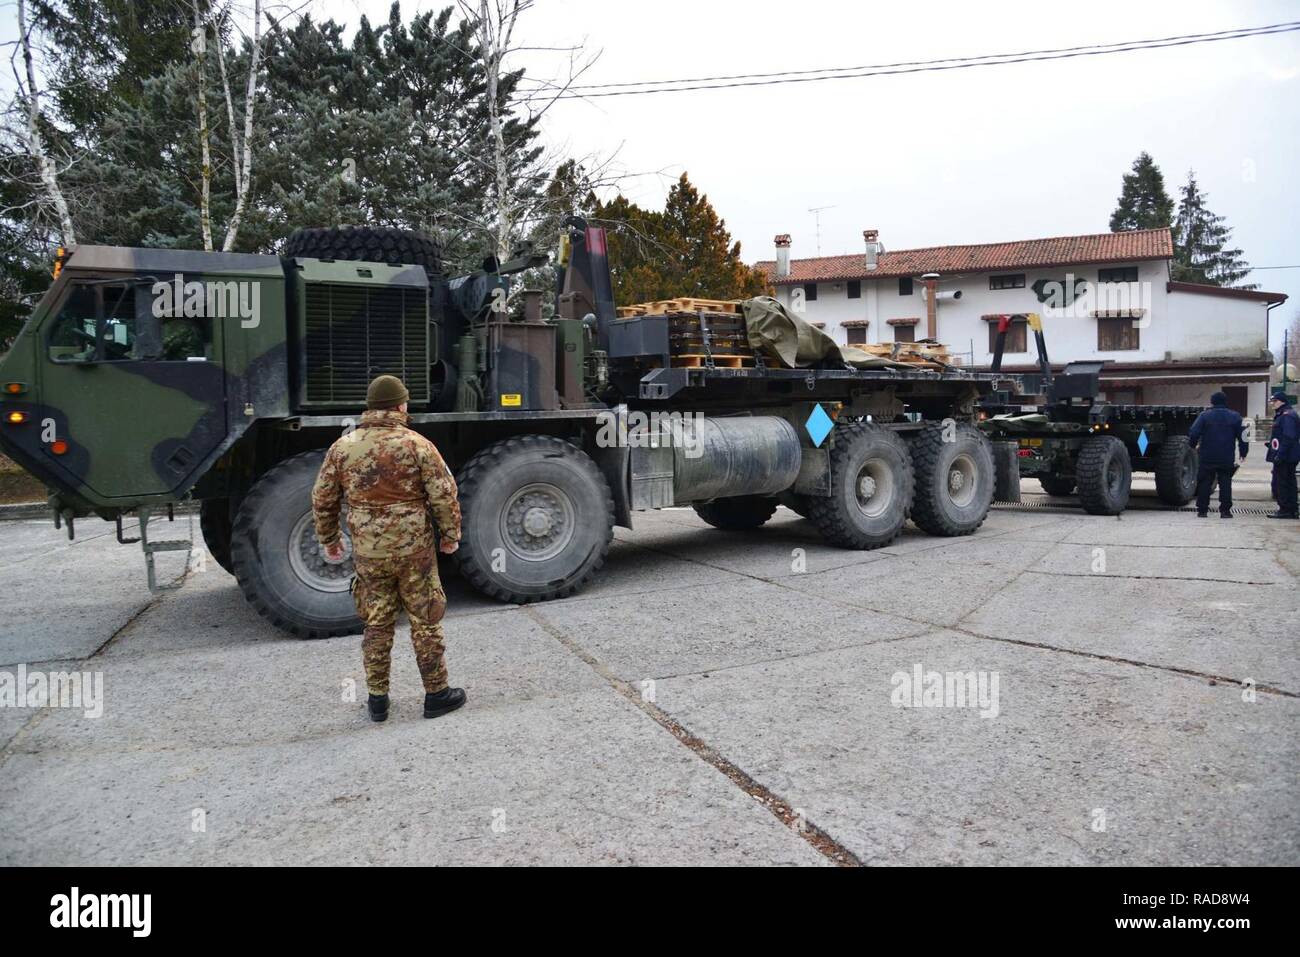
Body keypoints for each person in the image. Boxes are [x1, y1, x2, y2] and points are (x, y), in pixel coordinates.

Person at [311, 374, 466, 722]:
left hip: (369, 552)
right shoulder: (418, 444)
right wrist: (450, 534)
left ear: (371, 407)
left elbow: (323, 498)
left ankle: (378, 701)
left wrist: (330, 540)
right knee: (425, 621)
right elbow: (444, 493)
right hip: (415, 550)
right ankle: (437, 695)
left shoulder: (344, 447)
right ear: (400, 405)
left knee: (377, 623)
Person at [1188, 391, 1248, 518]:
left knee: (1204, 482)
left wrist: (1192, 445)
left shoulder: (1204, 416)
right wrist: (1243, 452)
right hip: (1226, 456)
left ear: (1212, 402)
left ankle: (1202, 510)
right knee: (1225, 482)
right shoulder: (1236, 416)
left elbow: (1194, 432)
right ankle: (1225, 511)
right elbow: (1244, 436)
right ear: (1225, 401)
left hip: (1207, 456)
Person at [1266, 390, 1299, 519]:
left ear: (1282, 401)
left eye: (1274, 401)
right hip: (1288, 455)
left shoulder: (1286, 416)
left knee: (1283, 483)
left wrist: (1280, 454)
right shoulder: (1285, 414)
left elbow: (1288, 437)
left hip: (1286, 456)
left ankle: (1285, 509)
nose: (1272, 404)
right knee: (1288, 482)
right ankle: (1291, 509)